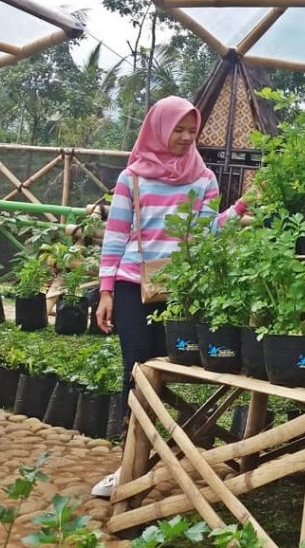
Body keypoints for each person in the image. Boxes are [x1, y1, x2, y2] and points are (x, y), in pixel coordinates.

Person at [90, 96, 249, 497]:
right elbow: (116, 234)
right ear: (159, 128)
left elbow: (207, 234)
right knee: (137, 368)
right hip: (131, 285)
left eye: (191, 132)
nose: (184, 138)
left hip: (179, 290)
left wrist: (241, 209)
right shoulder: (133, 177)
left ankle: (152, 458)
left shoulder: (203, 179)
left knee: (166, 370)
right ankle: (128, 466)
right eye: (177, 129)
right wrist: (105, 290)